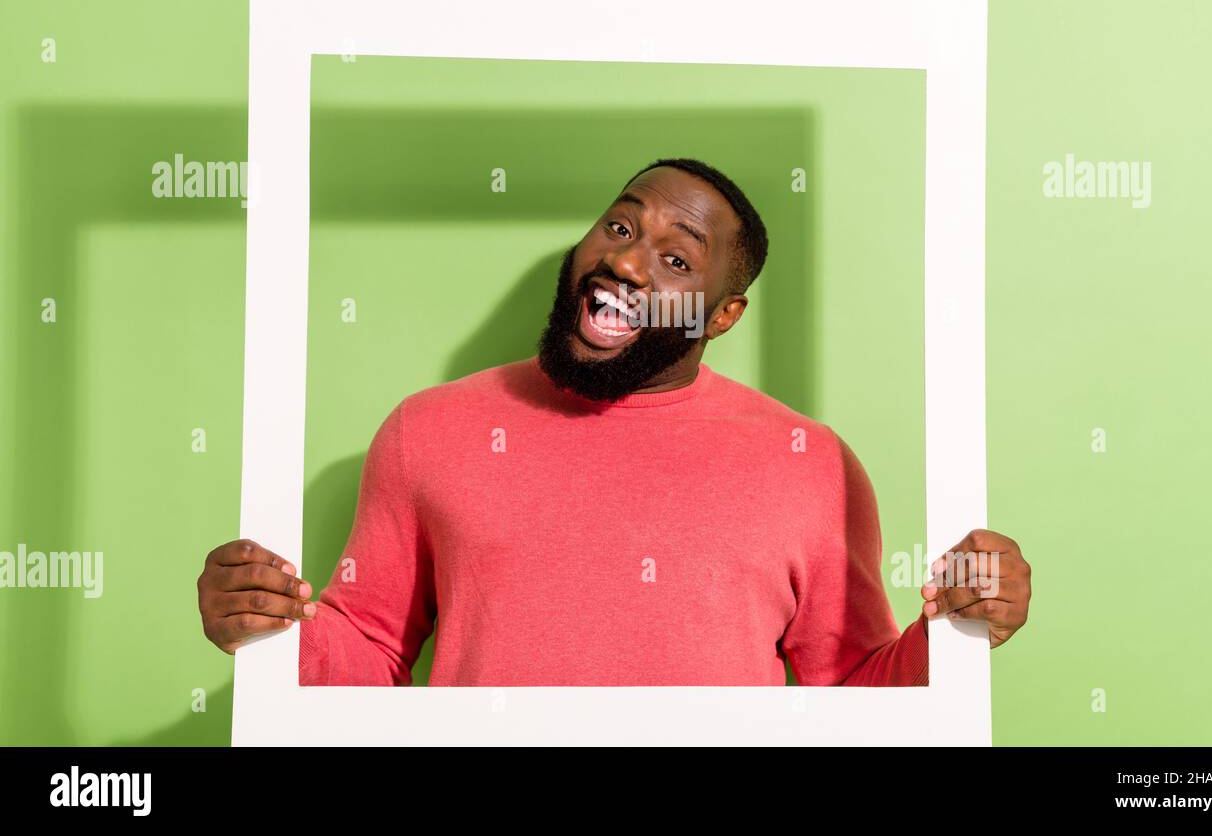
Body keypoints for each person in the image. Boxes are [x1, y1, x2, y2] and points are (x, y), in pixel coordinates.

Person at [196, 157, 1031, 685]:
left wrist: (958, 630)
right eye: (621, 224)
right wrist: (272, 625)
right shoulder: (429, 430)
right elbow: (370, 652)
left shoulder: (809, 462)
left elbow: (853, 695)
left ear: (723, 315)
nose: (626, 260)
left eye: (676, 258)